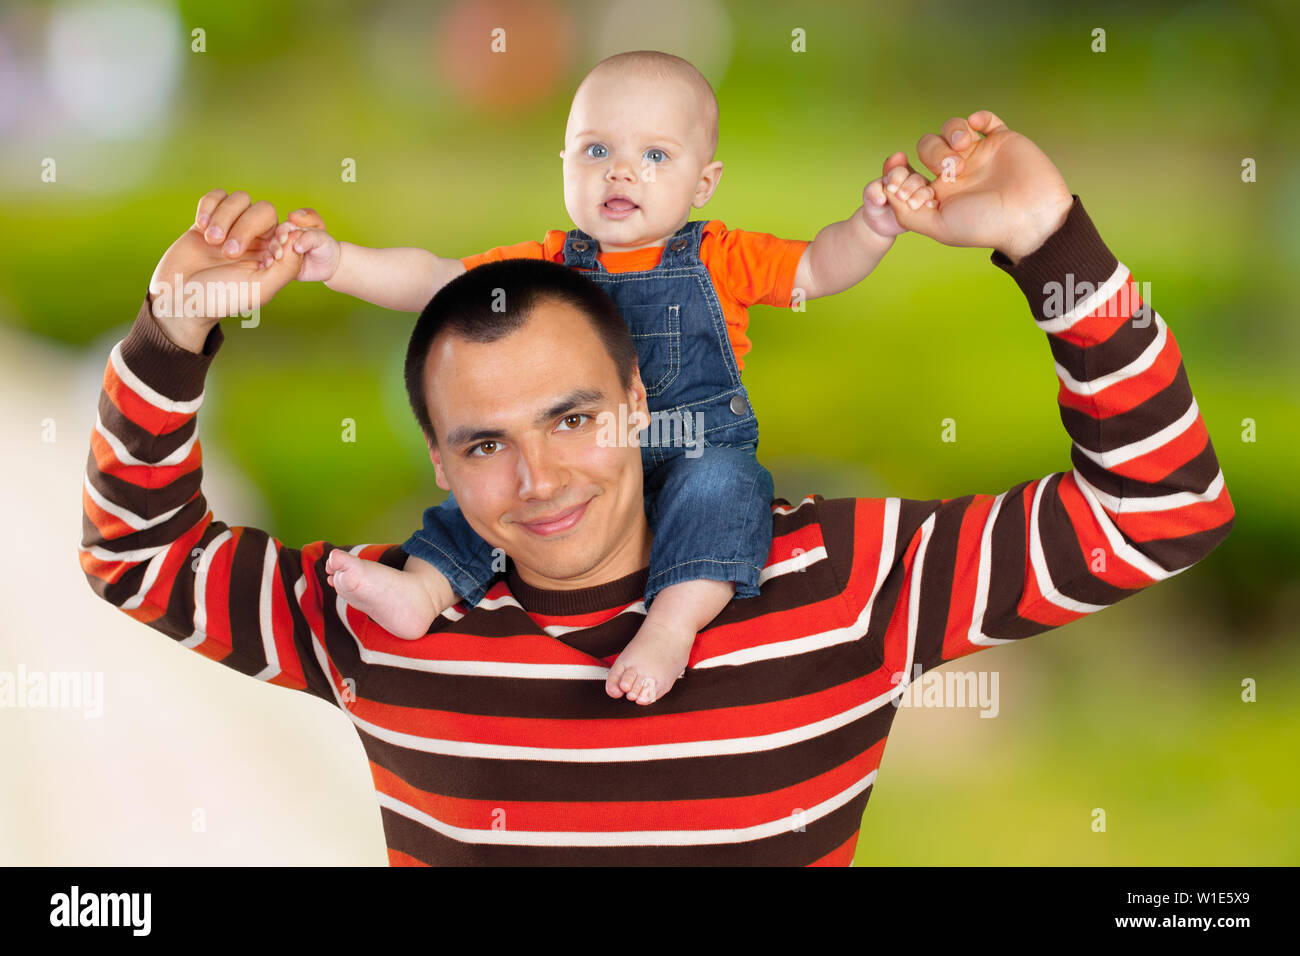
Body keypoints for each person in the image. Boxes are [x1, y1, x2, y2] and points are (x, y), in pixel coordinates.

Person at [79, 110, 1235, 866]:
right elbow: (137, 559)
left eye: (573, 418)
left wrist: (1049, 238)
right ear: (435, 460)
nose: (539, 481)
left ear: (637, 400)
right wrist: (172, 330)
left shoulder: (841, 583)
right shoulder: (385, 610)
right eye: (484, 444)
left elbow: (1161, 509)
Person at [241, 50, 932, 706]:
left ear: (704, 182)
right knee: (496, 488)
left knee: (726, 499)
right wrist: (338, 263)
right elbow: (439, 279)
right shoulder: (546, 264)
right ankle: (421, 591)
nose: (621, 173)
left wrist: (871, 228)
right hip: (572, 454)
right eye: (597, 151)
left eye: (654, 155)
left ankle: (669, 628)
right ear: (565, 163)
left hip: (692, 444)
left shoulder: (722, 256)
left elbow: (817, 269)